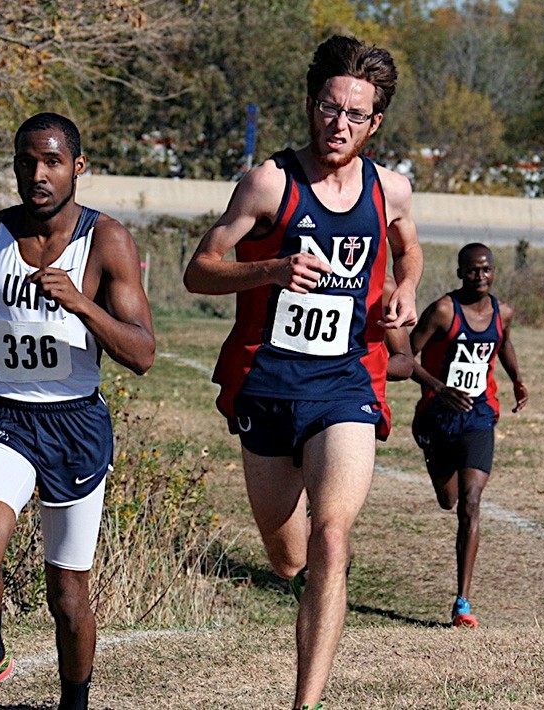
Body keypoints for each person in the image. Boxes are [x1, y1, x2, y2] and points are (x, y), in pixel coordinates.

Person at [183, 35, 422, 710]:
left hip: (345, 381)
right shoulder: (270, 183)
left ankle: (304, 705)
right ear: (312, 105)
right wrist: (272, 268)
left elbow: (410, 251)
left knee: (331, 537)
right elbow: (198, 271)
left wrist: (405, 287)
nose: (337, 124)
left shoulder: (391, 189)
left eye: (354, 114)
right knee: (290, 559)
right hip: (269, 382)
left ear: (375, 123)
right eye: (328, 107)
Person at [0, 112, 156, 710]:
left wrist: (83, 304)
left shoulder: (107, 241)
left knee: (68, 594)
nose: (38, 174)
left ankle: (74, 704)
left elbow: (142, 353)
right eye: (27, 161)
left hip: (75, 424)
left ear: (77, 167)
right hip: (4, 417)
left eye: (52, 161)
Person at [409, 243, 527, 628]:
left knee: (471, 503)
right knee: (449, 499)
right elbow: (404, 357)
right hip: (438, 417)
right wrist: (438, 388)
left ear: (494, 272)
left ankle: (462, 603)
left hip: (479, 415)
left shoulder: (502, 311)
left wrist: (517, 381)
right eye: (473, 271)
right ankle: (437, 461)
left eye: (487, 270)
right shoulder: (444, 311)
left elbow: (503, 340)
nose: (481, 277)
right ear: (461, 273)